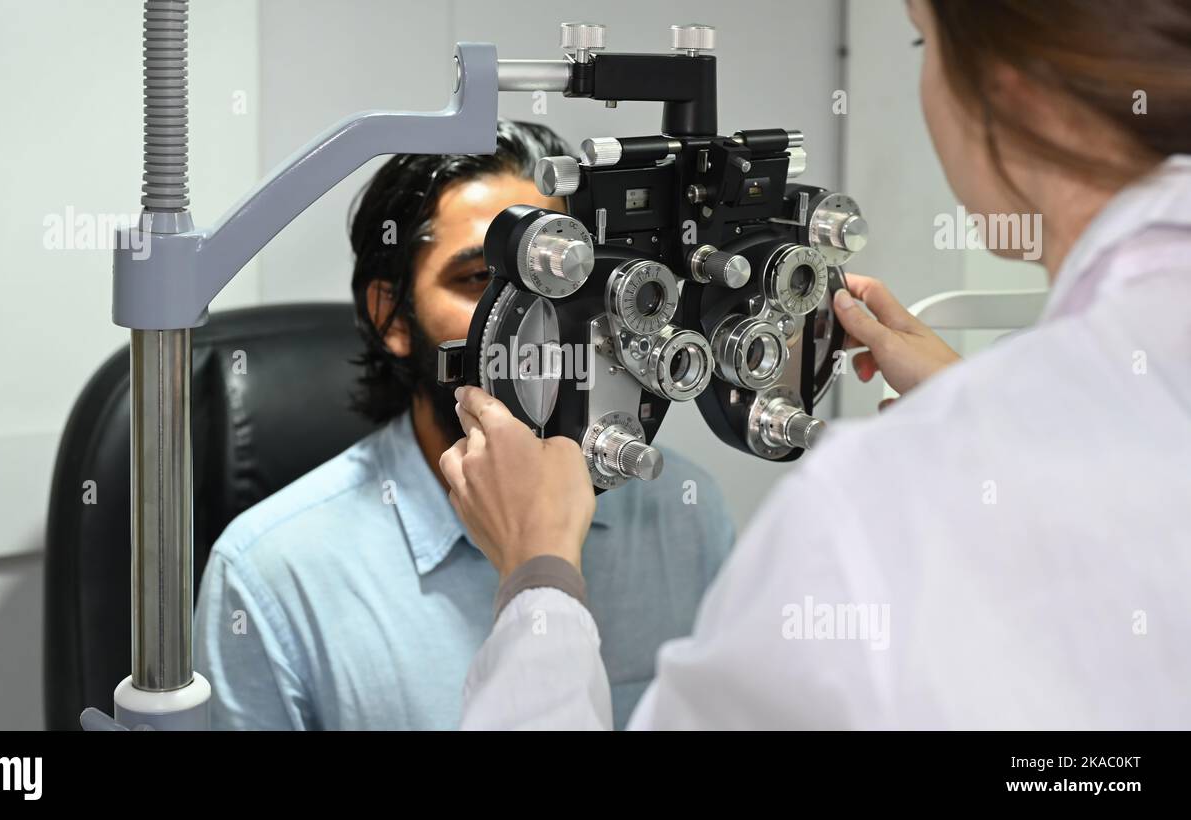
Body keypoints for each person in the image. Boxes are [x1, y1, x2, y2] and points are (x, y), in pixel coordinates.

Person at [442, 0, 1191, 729]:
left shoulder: (871, 506)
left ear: (1009, 96)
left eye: (921, 46)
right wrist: (984, 415)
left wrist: (538, 571)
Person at [193, 120, 735, 730]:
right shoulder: (271, 574)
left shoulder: (683, 513)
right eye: (482, 279)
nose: (538, 312)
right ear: (391, 317)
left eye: (566, 275)